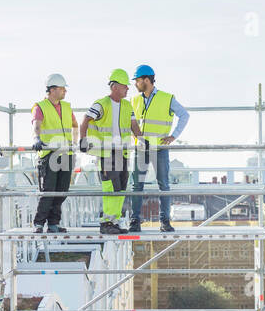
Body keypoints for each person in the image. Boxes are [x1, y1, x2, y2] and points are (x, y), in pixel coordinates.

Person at [129, 65, 190, 232]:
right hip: (141, 148)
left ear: (146, 80)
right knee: (137, 185)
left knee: (164, 185)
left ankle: (165, 222)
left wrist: (174, 136)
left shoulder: (166, 98)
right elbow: (130, 121)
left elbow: (184, 115)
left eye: (137, 80)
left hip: (160, 148)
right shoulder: (134, 100)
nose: (135, 84)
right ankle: (135, 221)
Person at [79, 69, 141, 234]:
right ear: (115, 87)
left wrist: (141, 139)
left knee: (121, 188)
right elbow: (85, 121)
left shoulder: (127, 105)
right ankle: (106, 222)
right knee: (110, 188)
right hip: (107, 153)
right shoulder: (101, 104)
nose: (128, 89)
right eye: (125, 86)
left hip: (123, 153)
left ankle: (115, 221)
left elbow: (134, 125)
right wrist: (83, 139)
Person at [31, 73, 78, 234]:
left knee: (62, 190)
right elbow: (37, 124)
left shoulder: (66, 107)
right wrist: (37, 138)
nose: (65, 91)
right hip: (50, 154)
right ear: (52, 90)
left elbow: (74, 125)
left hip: (66, 153)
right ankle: (39, 223)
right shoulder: (40, 107)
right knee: (48, 191)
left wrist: (75, 143)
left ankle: (53, 223)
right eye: (62, 88)